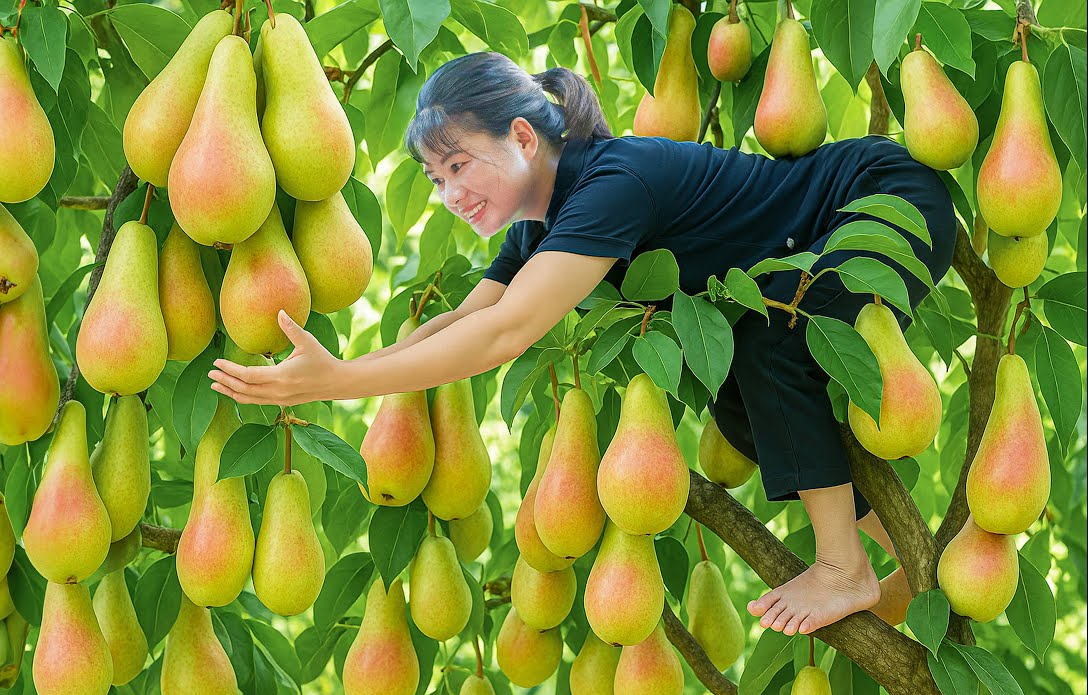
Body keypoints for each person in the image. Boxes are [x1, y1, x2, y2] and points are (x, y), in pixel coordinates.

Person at [208, 52, 957, 636]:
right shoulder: (540, 224)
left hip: (882, 202)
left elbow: (506, 333)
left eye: (458, 165)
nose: (449, 194)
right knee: (738, 407)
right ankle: (903, 561)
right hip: (810, 249)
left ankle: (842, 567)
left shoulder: (612, 182)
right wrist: (337, 370)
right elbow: (466, 321)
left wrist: (335, 384)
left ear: (524, 137)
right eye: (435, 180)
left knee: (771, 351)